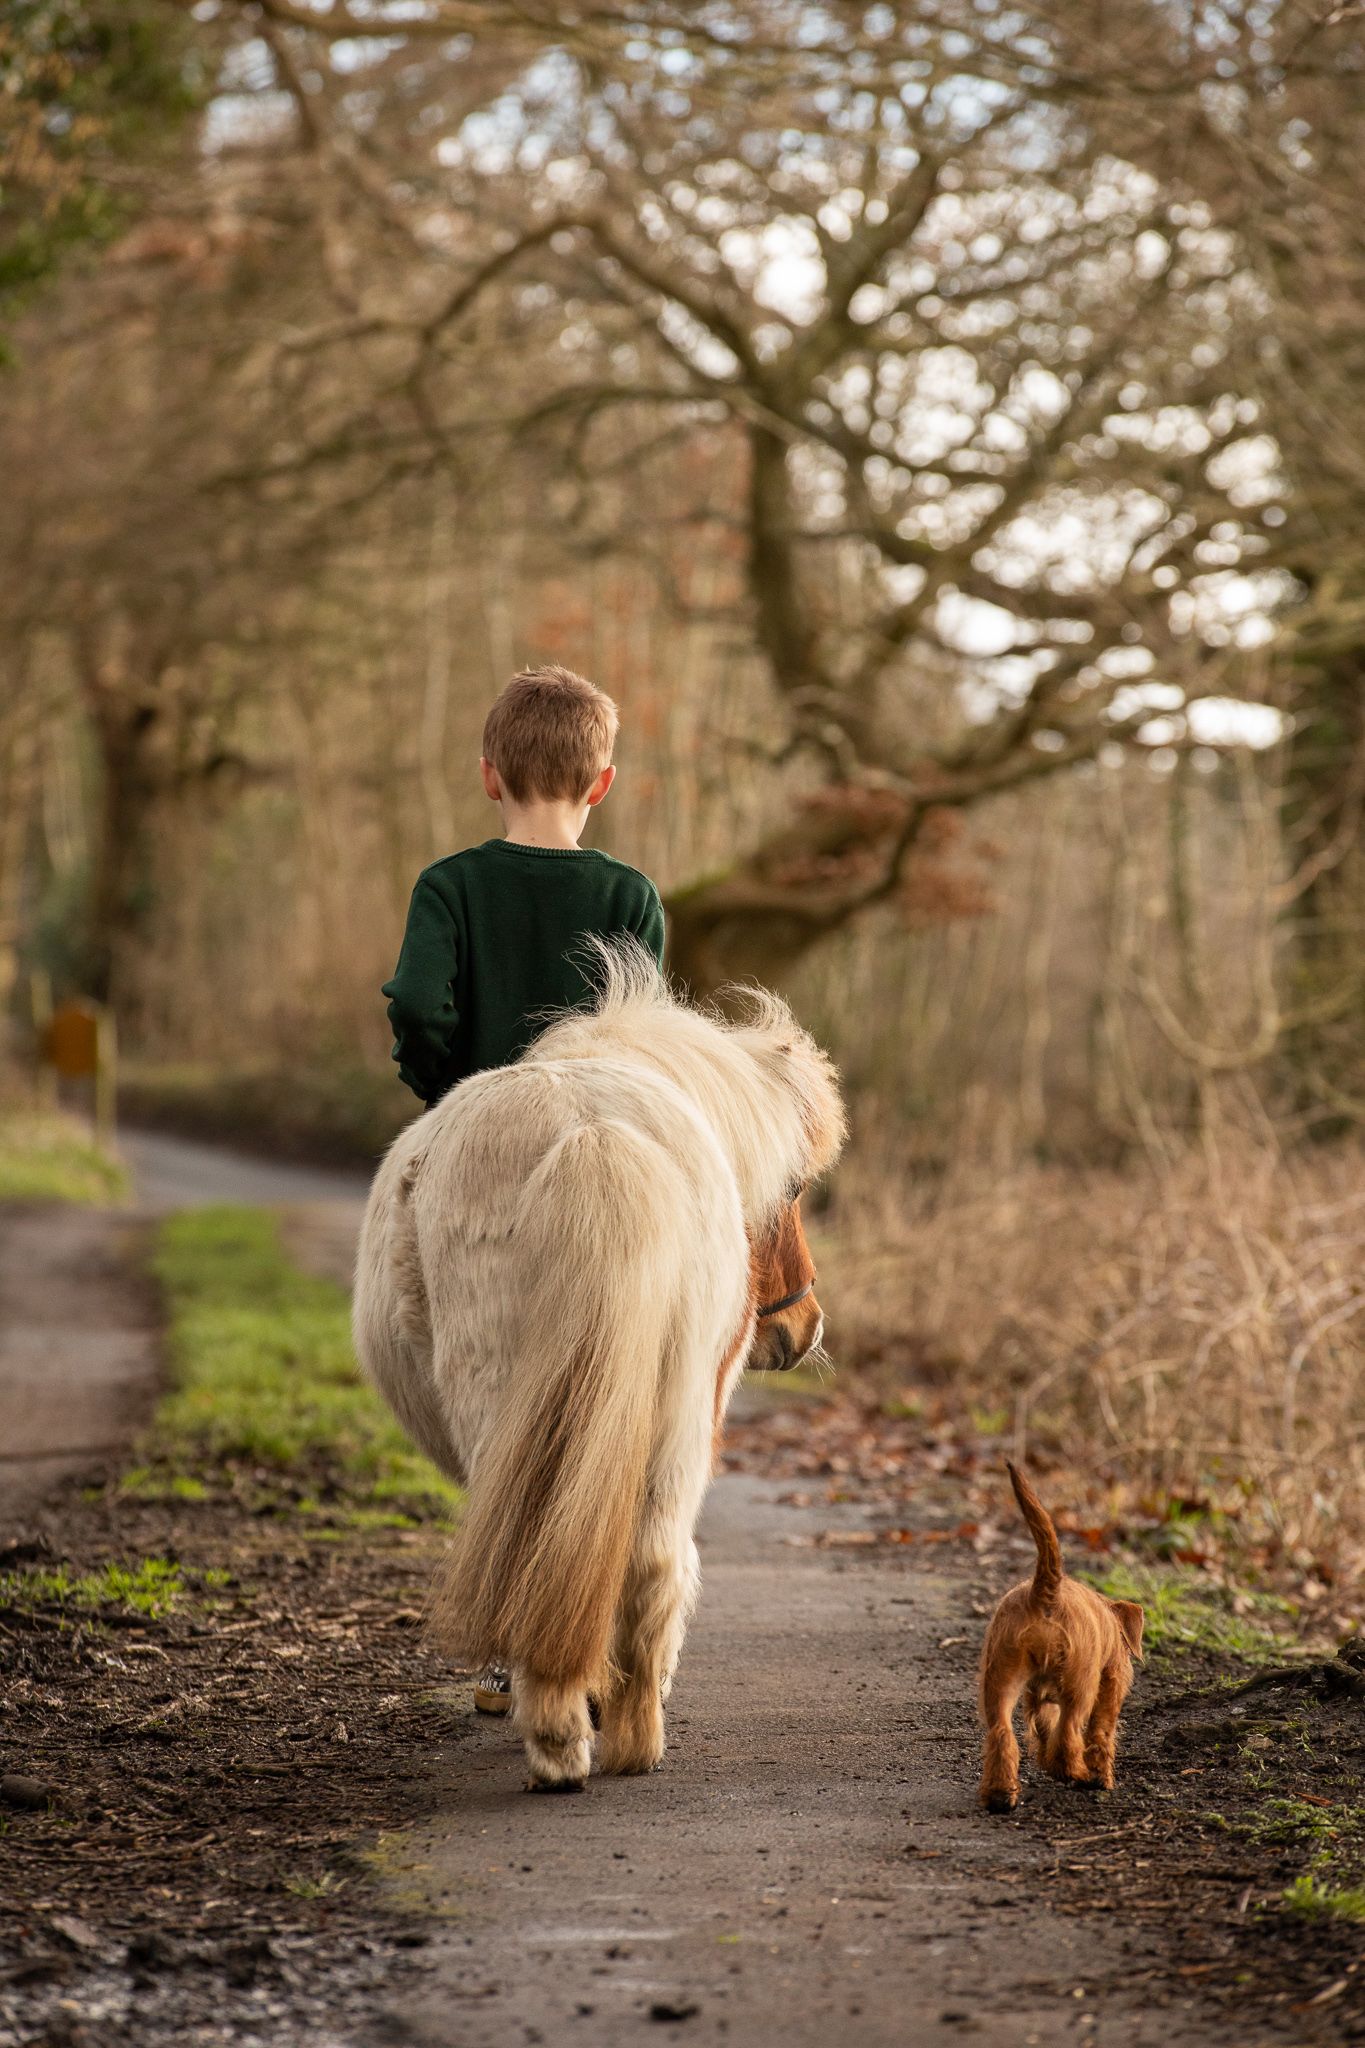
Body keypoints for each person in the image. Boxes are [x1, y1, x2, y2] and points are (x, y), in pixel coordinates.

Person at [381, 661, 666, 1715]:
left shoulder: (449, 884)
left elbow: (416, 999)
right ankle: (610, 1636)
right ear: (601, 783)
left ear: (489, 773)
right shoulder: (631, 895)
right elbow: (648, 1041)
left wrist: (445, 1092)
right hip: (615, 1144)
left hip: (480, 1139)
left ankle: (524, 1642)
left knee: (490, 1382)